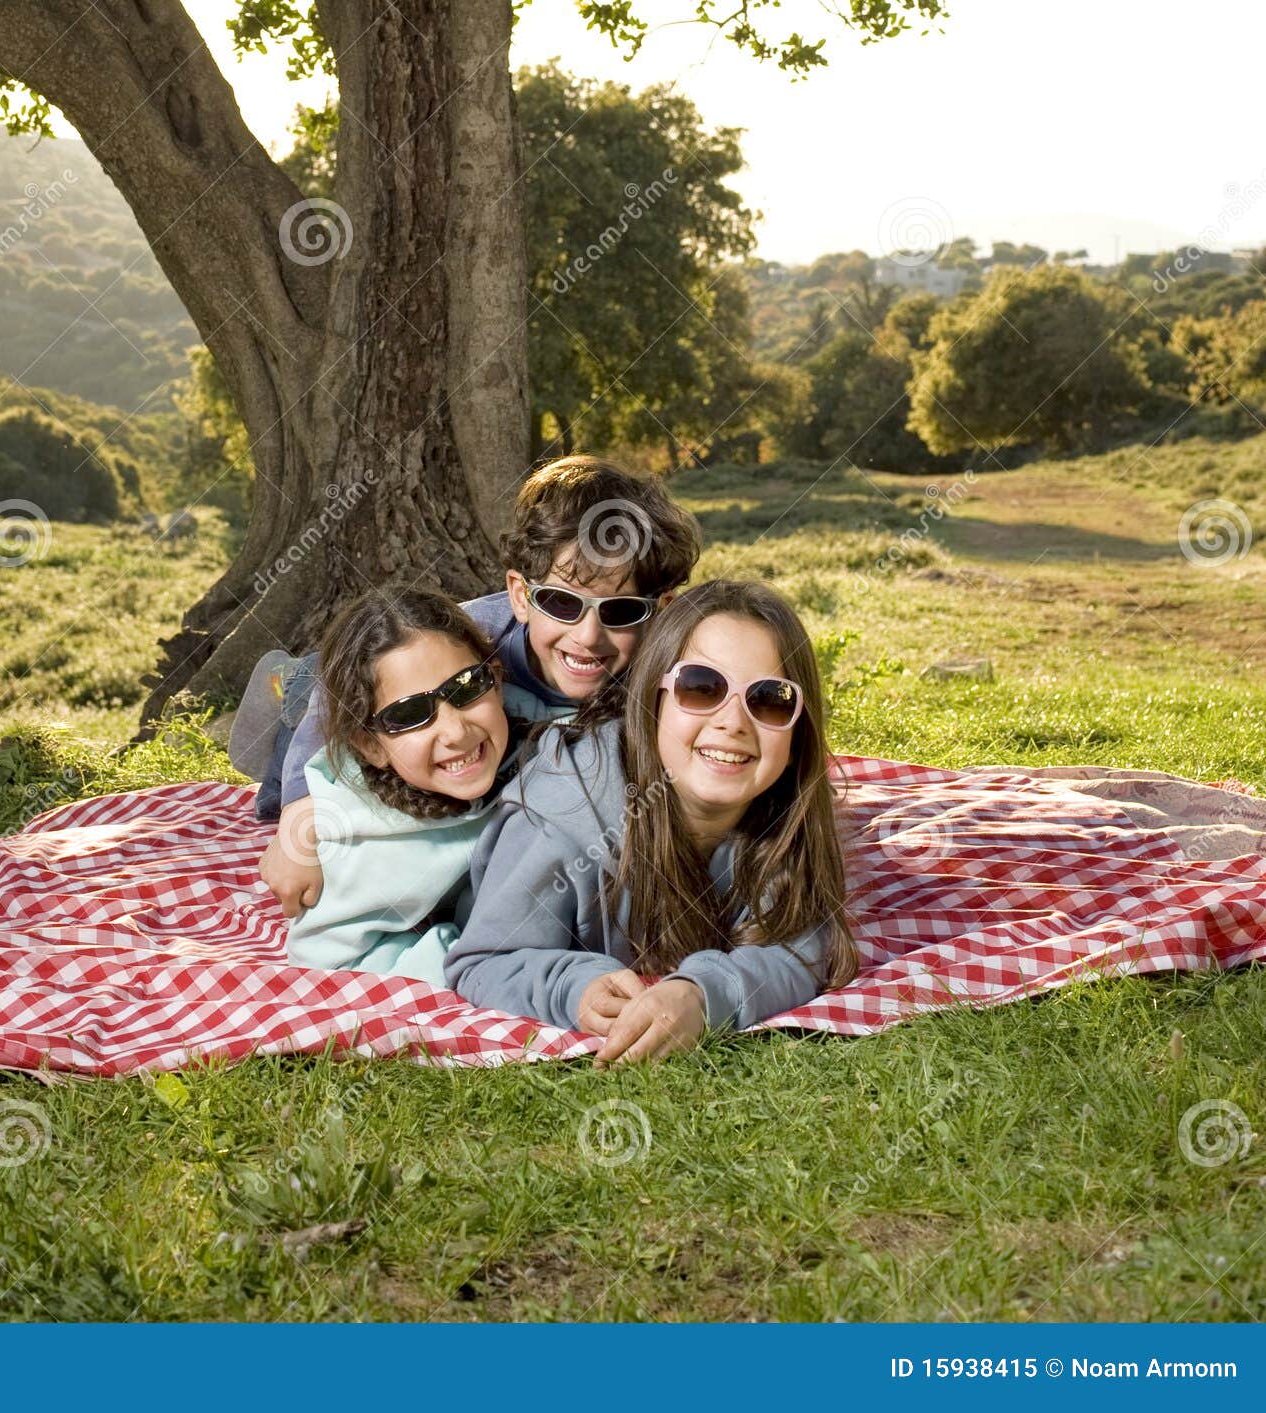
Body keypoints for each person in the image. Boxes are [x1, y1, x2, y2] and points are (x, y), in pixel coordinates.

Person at [244, 453, 703, 917]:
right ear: (521, 596)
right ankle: (287, 684)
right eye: (563, 604)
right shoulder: (481, 634)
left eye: (620, 612)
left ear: (660, 610)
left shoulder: (668, 669)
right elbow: (338, 691)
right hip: (344, 690)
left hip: (485, 734)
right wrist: (296, 820)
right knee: (314, 713)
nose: (587, 637)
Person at [445, 580, 858, 1064]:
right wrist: (575, 989)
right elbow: (485, 959)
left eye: (770, 699)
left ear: (797, 733)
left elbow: (798, 947)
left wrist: (704, 996)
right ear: (652, 701)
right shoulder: (565, 814)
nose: (734, 723)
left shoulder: (783, 809)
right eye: (701, 688)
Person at [283, 588, 524, 988]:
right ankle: (289, 684)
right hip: (313, 742)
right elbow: (322, 963)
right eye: (410, 714)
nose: (455, 730)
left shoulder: (531, 725)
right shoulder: (360, 842)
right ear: (372, 745)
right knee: (288, 738)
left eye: (465, 686)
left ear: (496, 679)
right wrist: (464, 952)